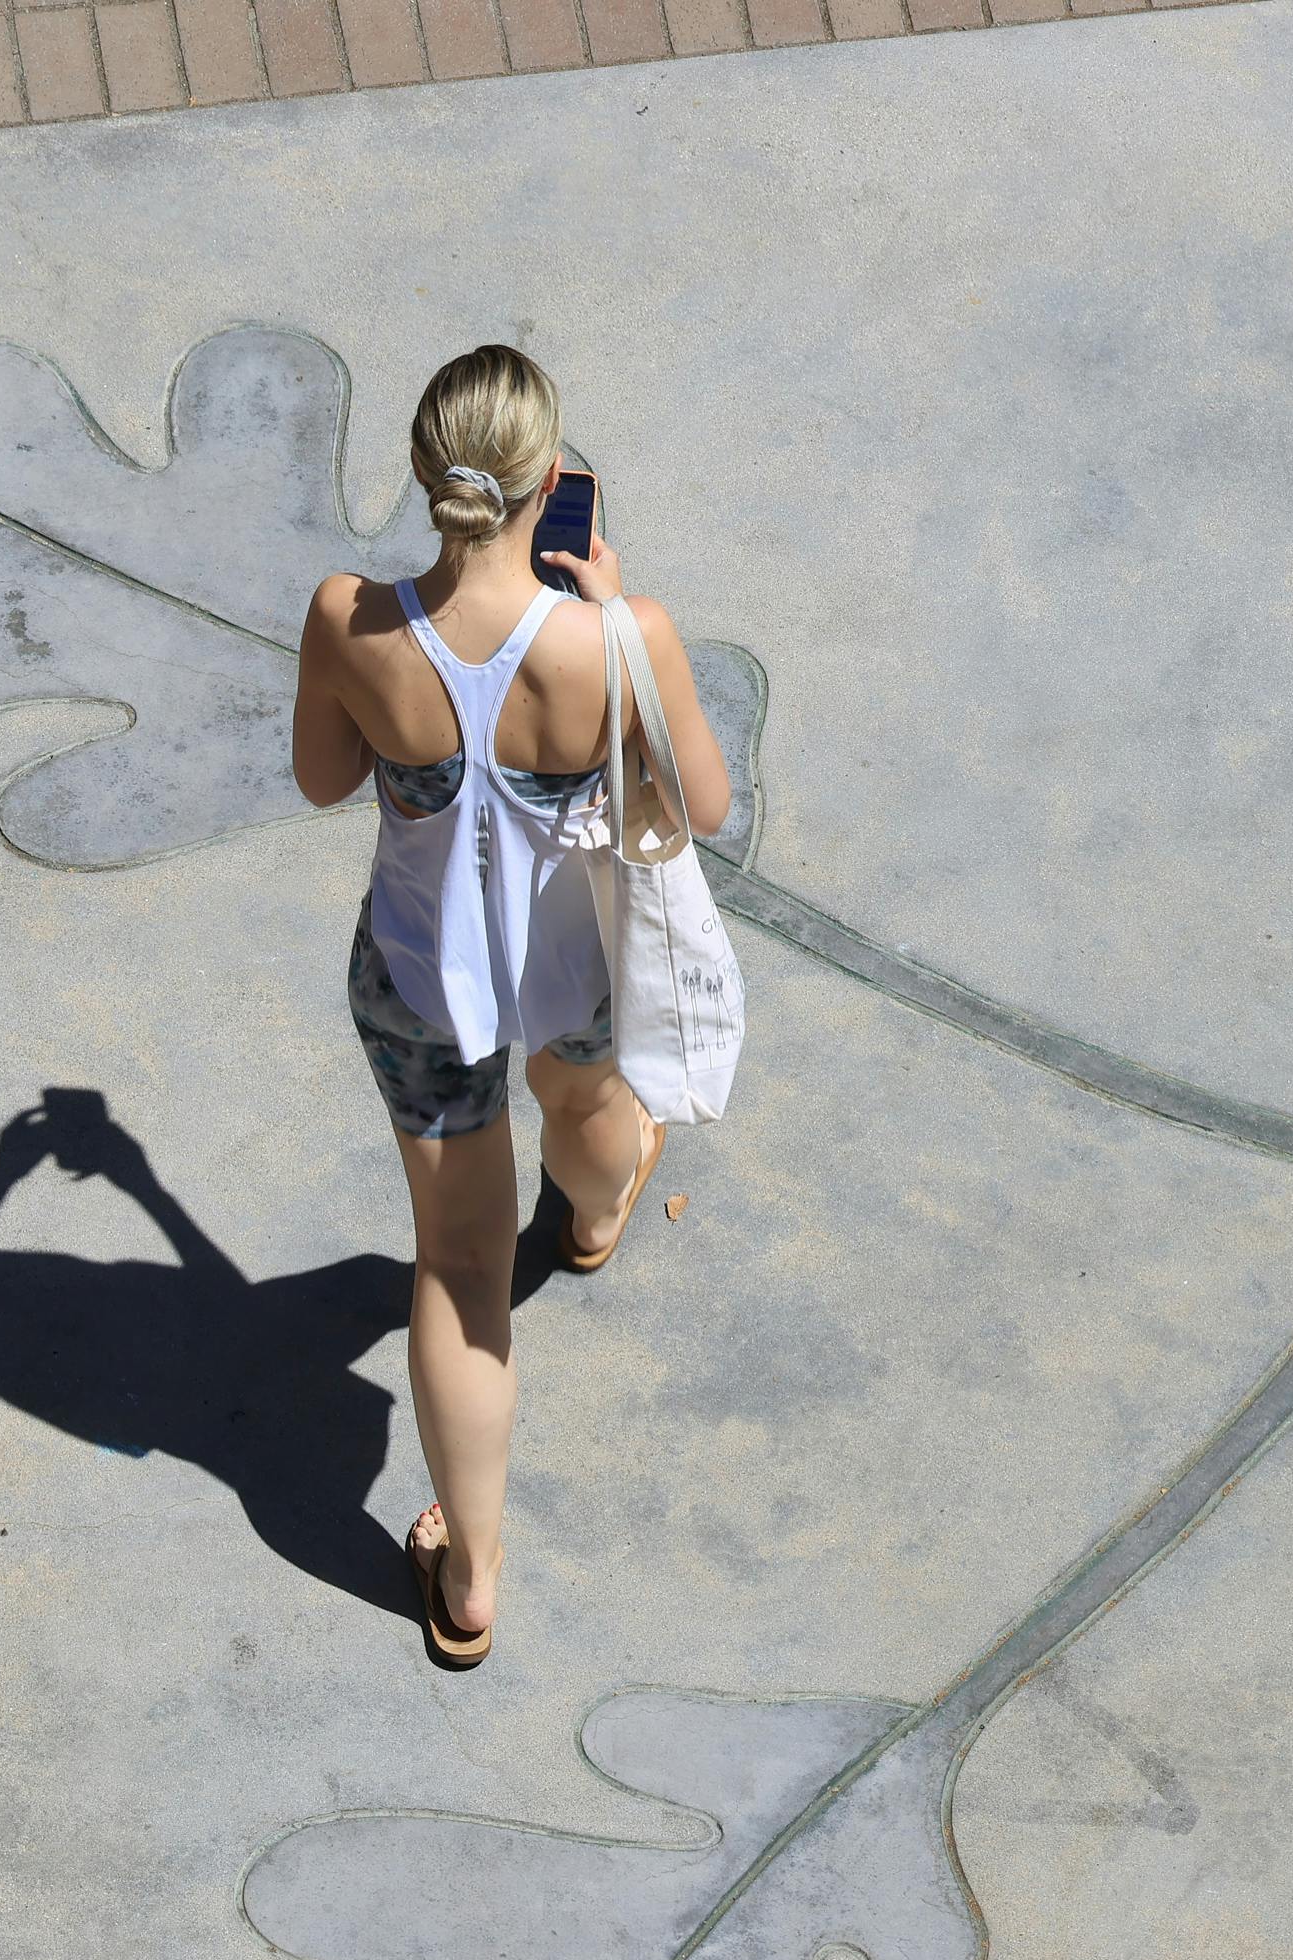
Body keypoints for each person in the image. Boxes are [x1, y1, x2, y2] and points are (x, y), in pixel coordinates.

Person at [291, 344, 733, 1671]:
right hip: (575, 960)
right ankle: (595, 1215)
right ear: (552, 483)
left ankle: (468, 1580)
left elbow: (322, 779)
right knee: (595, 1096)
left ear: (427, 476)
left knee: (460, 1266)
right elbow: (701, 807)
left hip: (421, 980)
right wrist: (611, 615)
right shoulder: (621, 637)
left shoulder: (347, 617)